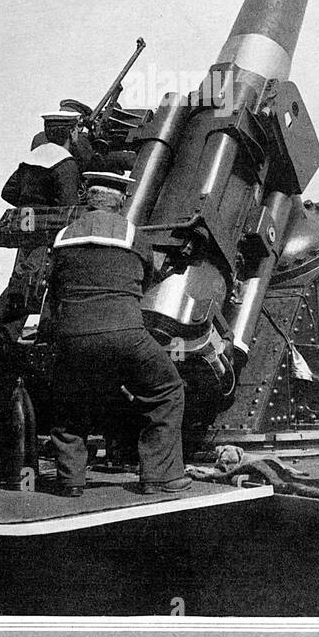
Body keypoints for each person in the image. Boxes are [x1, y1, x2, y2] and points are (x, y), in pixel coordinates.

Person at [48, 172, 188, 498]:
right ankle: (158, 476)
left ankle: (71, 481)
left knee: (69, 406)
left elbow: (54, 289)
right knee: (167, 389)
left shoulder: (63, 237)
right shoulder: (132, 234)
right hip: (126, 335)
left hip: (74, 338)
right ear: (121, 201)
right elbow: (145, 276)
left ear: (88, 199)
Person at [6, 112, 82, 206]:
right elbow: (70, 204)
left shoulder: (31, 158)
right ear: (71, 131)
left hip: (25, 219)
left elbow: (8, 192)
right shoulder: (66, 162)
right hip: (51, 220)